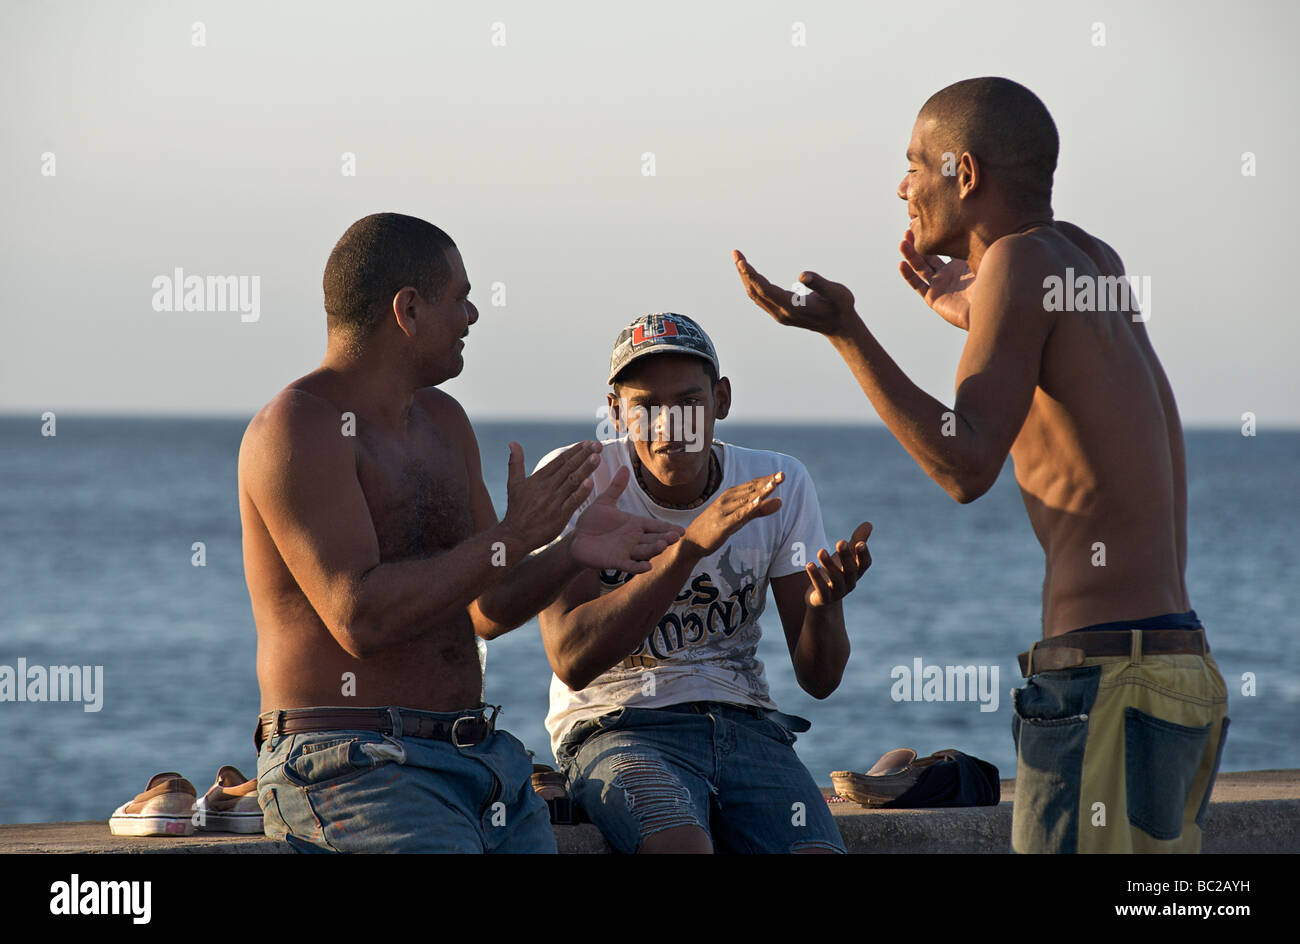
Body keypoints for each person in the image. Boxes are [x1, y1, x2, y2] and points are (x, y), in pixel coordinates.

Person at [733, 77, 1228, 853]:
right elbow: (1070, 365)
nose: (903, 187)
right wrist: (978, 304)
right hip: (1178, 668)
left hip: (1104, 681)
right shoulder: (1093, 261)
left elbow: (964, 467)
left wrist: (847, 332)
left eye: (915, 165)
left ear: (964, 175)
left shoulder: (1018, 267)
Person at [237, 213, 683, 853]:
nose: (472, 315)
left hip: (479, 761)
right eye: (460, 298)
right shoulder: (298, 426)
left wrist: (567, 552)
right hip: (352, 762)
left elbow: (485, 610)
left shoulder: (445, 422)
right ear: (408, 309)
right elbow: (358, 618)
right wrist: (516, 533)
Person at [535, 312, 873, 854]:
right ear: (617, 410)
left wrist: (825, 606)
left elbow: (820, 679)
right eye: (647, 407)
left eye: (690, 404)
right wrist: (690, 548)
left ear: (723, 400)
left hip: (749, 728)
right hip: (616, 726)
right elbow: (571, 659)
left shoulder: (777, 482)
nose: (671, 427)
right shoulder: (582, 479)